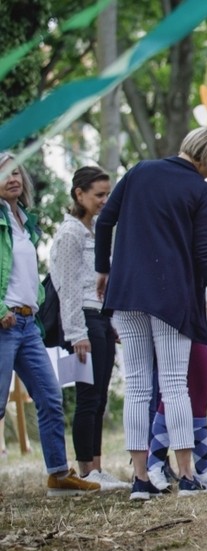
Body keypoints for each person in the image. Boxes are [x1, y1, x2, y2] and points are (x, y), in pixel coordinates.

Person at [95, 126, 207, 500]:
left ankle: (140, 479)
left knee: (138, 386)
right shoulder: (202, 192)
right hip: (172, 297)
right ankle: (187, 475)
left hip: (125, 292)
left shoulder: (140, 170)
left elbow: (105, 220)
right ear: (206, 160)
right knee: (175, 385)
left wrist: (103, 270)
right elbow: (204, 252)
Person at [0, 152, 100, 496]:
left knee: (50, 397)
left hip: (28, 326)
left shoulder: (23, 221)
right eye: (4, 173)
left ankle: (58, 474)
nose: (13, 178)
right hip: (4, 322)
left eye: (16, 172)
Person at [146, 189, 207, 491]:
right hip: (178, 324)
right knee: (176, 393)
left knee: (199, 392)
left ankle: (202, 467)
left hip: (202, 327)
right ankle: (154, 464)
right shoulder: (186, 242)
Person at [49, 165, 129, 490]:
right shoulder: (69, 235)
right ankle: (85, 470)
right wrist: (76, 333)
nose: (104, 200)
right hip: (82, 321)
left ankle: (97, 467)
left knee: (100, 399)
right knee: (87, 397)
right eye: (99, 195)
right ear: (79, 194)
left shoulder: (97, 229)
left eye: (108, 194)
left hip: (102, 318)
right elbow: (65, 286)